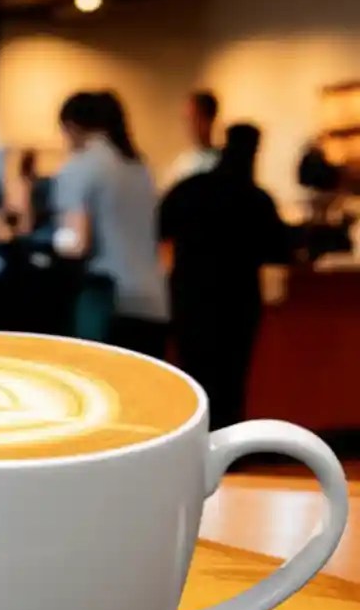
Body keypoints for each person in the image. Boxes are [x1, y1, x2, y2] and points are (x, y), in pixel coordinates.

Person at [160, 124, 291, 430]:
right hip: (238, 301)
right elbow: (279, 250)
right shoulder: (257, 199)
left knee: (193, 378)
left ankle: (194, 444)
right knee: (231, 381)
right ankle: (228, 449)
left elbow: (160, 230)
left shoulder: (190, 188)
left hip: (189, 298)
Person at [53, 91, 169, 358]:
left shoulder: (80, 167)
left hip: (109, 304)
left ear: (72, 127)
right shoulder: (139, 166)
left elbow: (75, 243)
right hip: (154, 300)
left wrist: (43, 237)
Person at [164, 91, 221, 190]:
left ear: (208, 120)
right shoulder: (181, 166)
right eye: (187, 119)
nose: (189, 125)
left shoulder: (222, 164)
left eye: (194, 118)